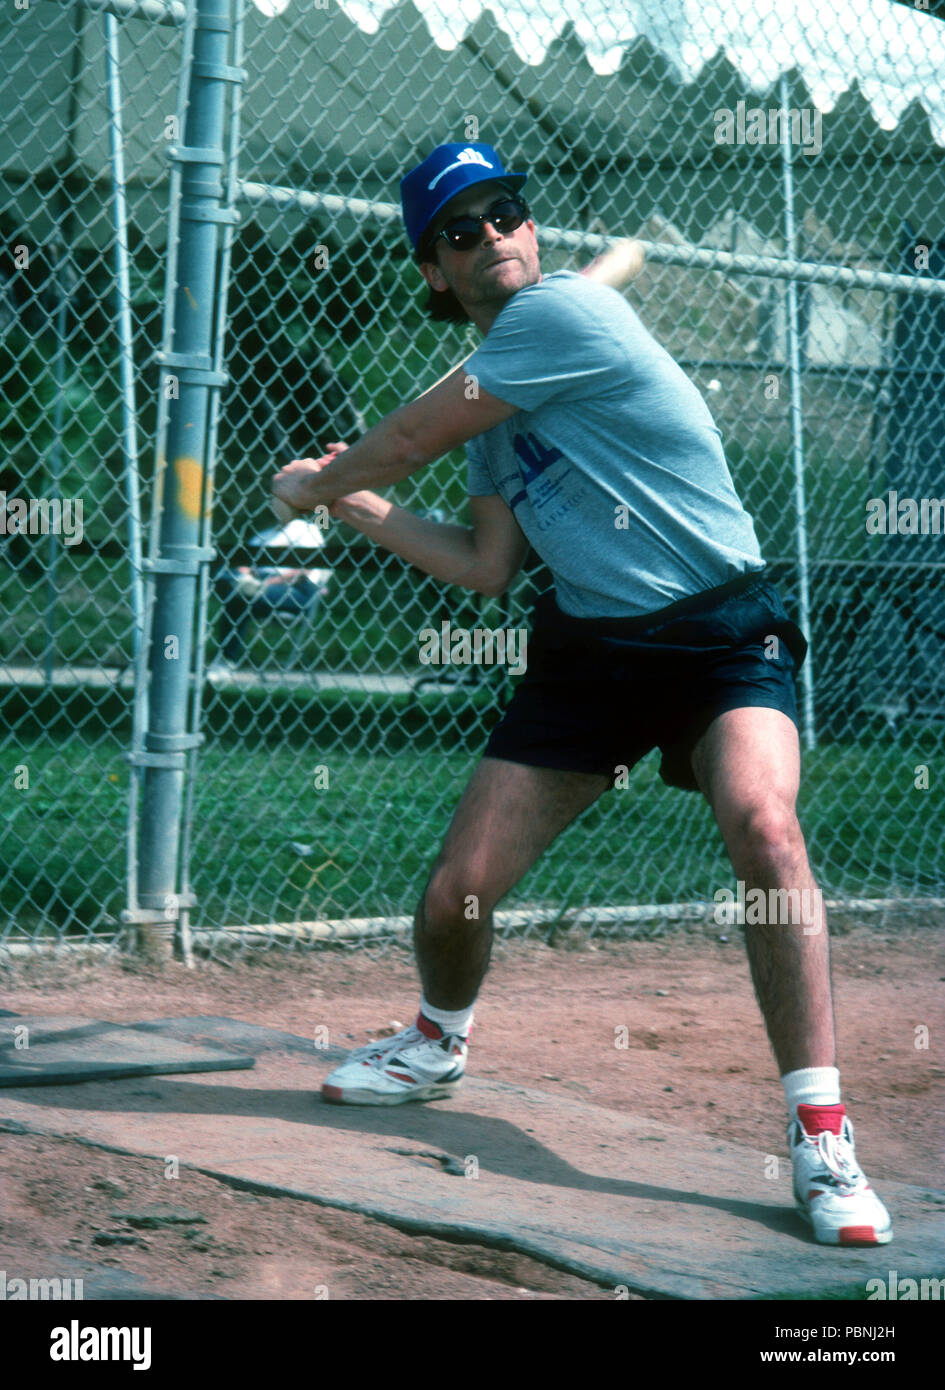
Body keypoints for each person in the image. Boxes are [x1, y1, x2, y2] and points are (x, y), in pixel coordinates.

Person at [271, 142, 892, 1247]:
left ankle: (820, 1131)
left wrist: (323, 483)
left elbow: (408, 434)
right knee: (456, 890)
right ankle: (437, 1041)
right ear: (434, 272)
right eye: (459, 232)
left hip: (718, 633)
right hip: (589, 656)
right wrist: (361, 511)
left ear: (533, 230)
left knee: (766, 825)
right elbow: (485, 566)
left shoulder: (564, 319)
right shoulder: (497, 405)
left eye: (505, 212)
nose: (493, 236)